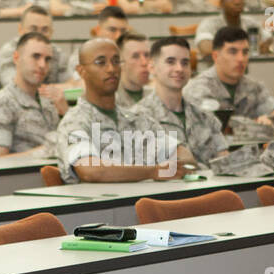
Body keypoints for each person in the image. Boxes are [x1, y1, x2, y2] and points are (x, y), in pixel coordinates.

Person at [55, 38, 191, 183]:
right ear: (81, 71)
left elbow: (185, 156)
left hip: (143, 199)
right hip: (101, 204)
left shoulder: (137, 119)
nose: (111, 69)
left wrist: (174, 165)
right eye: (101, 62)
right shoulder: (74, 122)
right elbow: (92, 171)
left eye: (116, 61)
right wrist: (154, 171)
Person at [136, 37, 228, 165]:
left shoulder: (205, 117)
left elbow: (225, 162)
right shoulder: (138, 118)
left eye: (185, 63)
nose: (179, 68)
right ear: (152, 67)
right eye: (170, 62)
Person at [0, 31, 64, 156]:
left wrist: (66, 112)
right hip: (23, 175)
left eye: (48, 59)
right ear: (16, 58)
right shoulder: (0, 103)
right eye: (36, 56)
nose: (42, 65)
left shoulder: (49, 102)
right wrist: (46, 151)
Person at [184, 25, 274, 125]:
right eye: (233, 52)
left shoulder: (254, 87)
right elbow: (207, 127)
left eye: (245, 52)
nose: (241, 59)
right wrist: (253, 124)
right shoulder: (198, 89)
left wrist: (269, 119)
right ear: (216, 56)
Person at [0, 5, 76, 101]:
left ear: (52, 32)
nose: (39, 34)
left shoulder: (56, 53)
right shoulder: (9, 53)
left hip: (43, 106)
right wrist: (55, 89)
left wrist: (53, 90)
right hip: (0, 107)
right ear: (20, 30)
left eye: (45, 30)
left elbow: (74, 86)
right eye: (33, 29)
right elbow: (19, 89)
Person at [195, 0, 261, 57]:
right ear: (221, 2)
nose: (237, 1)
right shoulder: (209, 24)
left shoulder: (252, 24)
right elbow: (206, 48)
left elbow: (269, 43)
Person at [115, 31, 151, 109]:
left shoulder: (156, 96)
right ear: (120, 62)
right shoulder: (110, 99)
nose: (144, 62)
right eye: (135, 56)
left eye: (147, 55)